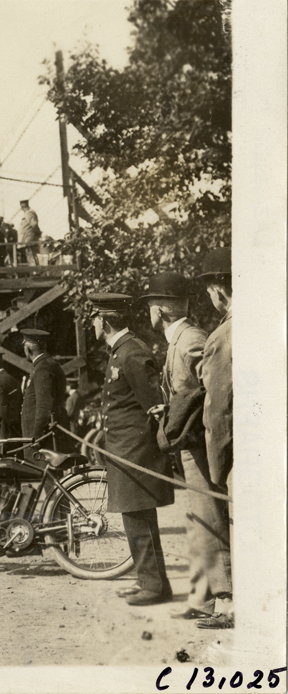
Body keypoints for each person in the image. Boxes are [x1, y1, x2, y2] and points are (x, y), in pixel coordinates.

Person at [138, 271, 228, 625]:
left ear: (159, 309)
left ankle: (228, 601)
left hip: (201, 444)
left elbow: (213, 389)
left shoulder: (191, 339)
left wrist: (184, 414)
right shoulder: (179, 339)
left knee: (209, 519)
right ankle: (204, 598)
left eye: (150, 305)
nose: (148, 312)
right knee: (197, 521)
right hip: (189, 444)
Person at [88, 292, 175, 606]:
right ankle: (149, 581)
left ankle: (152, 586)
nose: (93, 323)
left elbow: (156, 406)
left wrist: (158, 451)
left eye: (96, 317)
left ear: (106, 320)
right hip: (124, 449)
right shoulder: (121, 351)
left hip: (136, 451)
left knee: (139, 519)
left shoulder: (131, 353)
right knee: (134, 519)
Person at [194, 248, 234, 630]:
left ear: (219, 290)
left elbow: (218, 412)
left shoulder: (223, 336)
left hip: (241, 456)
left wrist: (218, 471)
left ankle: (234, 608)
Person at [19, 329, 71, 451]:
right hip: (46, 435)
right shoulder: (49, 364)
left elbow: (44, 405)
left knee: (39, 470)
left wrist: (37, 436)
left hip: (42, 441)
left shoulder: (42, 368)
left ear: (28, 349)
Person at [17, 199, 42, 265]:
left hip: (28, 240)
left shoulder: (29, 213)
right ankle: (34, 271)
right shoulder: (27, 213)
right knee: (30, 256)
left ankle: (35, 272)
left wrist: (37, 232)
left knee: (31, 256)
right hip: (27, 240)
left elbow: (34, 224)